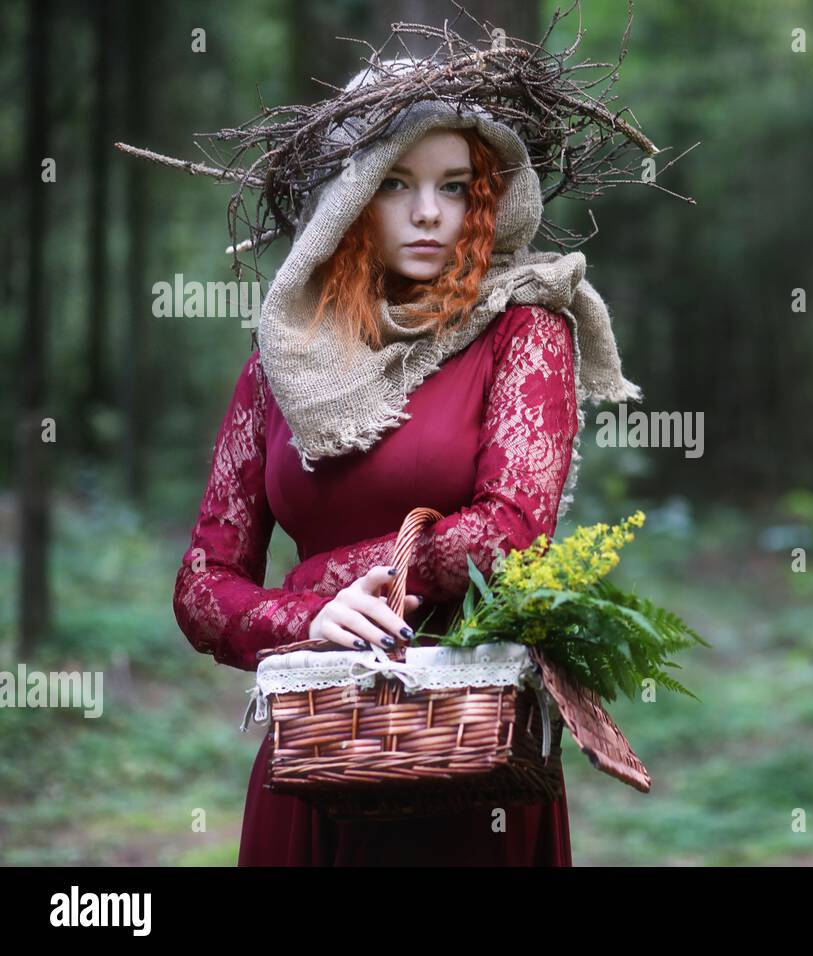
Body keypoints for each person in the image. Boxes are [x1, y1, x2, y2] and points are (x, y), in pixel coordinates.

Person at [170, 55, 645, 865]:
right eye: (397, 183)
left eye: (455, 186)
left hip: (470, 751)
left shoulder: (524, 326)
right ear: (351, 199)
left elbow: (509, 533)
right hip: (318, 751)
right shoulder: (288, 358)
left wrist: (312, 583)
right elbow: (202, 585)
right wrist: (305, 621)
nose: (430, 213)